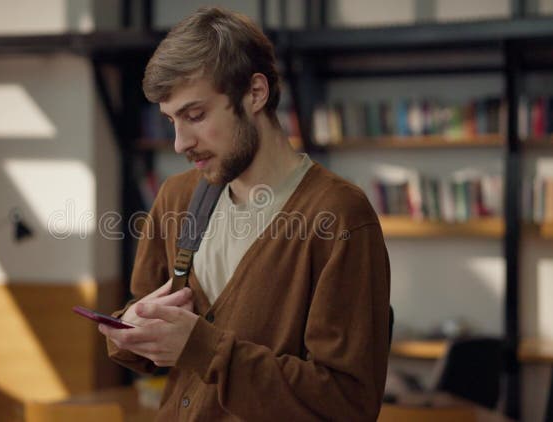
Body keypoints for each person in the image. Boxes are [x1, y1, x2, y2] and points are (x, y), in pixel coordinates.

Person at [98, 6, 391, 421]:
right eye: (171, 120)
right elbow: (149, 327)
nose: (180, 143)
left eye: (195, 115)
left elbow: (347, 403)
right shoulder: (177, 197)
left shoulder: (340, 216)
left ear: (255, 93)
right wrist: (131, 327)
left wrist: (202, 347)